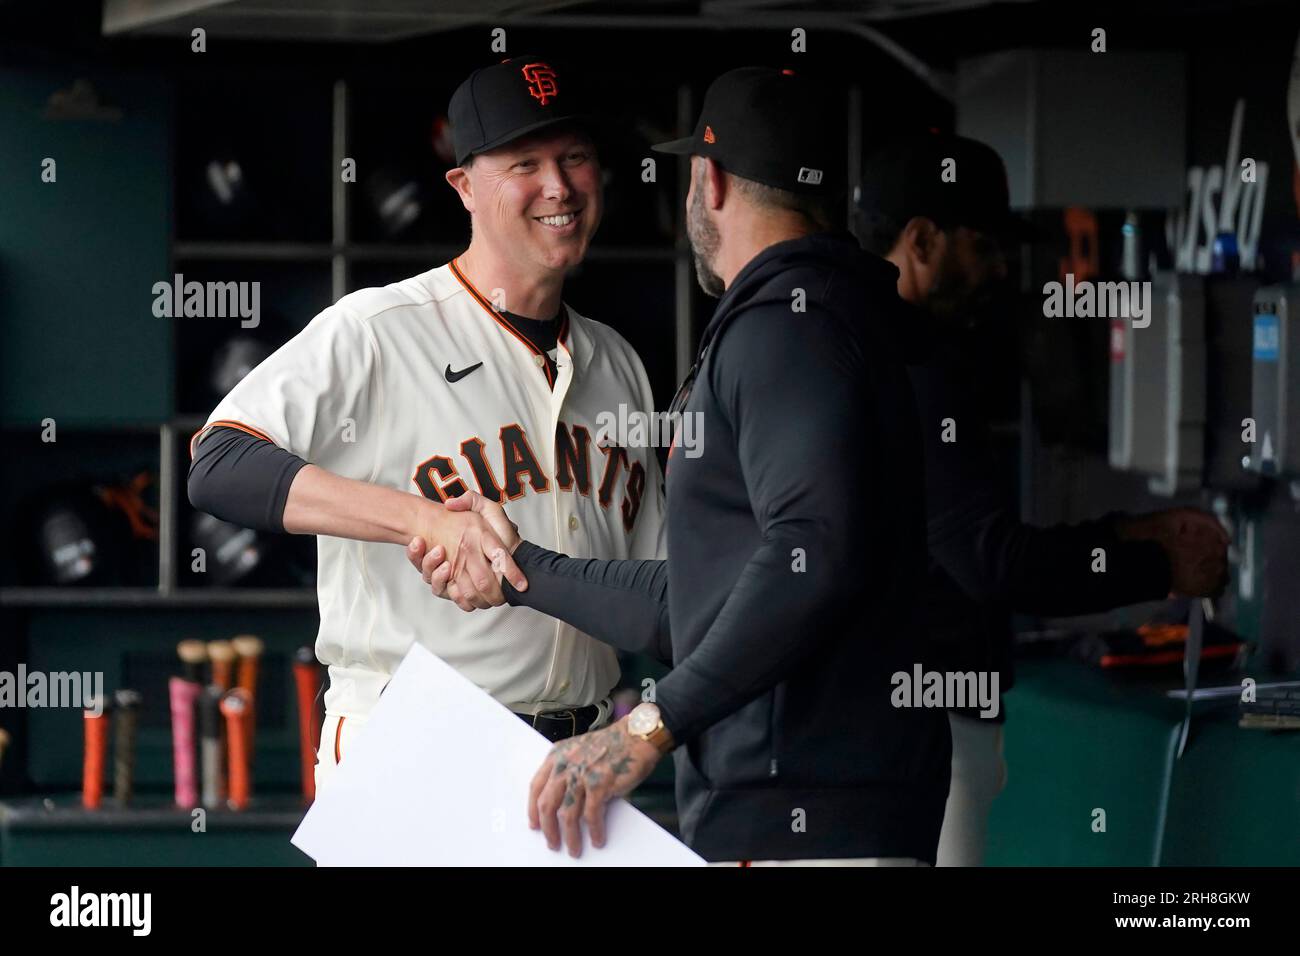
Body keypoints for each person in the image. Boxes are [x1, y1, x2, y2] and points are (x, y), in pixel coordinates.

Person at [411, 67, 952, 865]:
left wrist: (649, 725)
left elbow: (814, 549)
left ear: (712, 180)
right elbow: (703, 598)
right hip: (827, 802)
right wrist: (523, 569)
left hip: (808, 807)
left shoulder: (787, 328)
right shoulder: (830, 315)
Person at [188, 55, 664, 791]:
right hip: (414, 748)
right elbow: (218, 463)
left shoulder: (618, 364)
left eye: (575, 157)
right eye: (525, 163)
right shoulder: (380, 329)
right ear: (463, 186)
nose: (559, 186)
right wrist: (426, 520)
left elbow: (655, 588)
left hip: (576, 759)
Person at [853, 132, 1229, 865]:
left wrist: (1136, 532)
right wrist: (1157, 563)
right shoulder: (909, 364)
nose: (997, 267)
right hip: (915, 735)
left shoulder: (844, 338)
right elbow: (995, 561)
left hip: (885, 729)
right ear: (922, 241)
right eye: (982, 245)